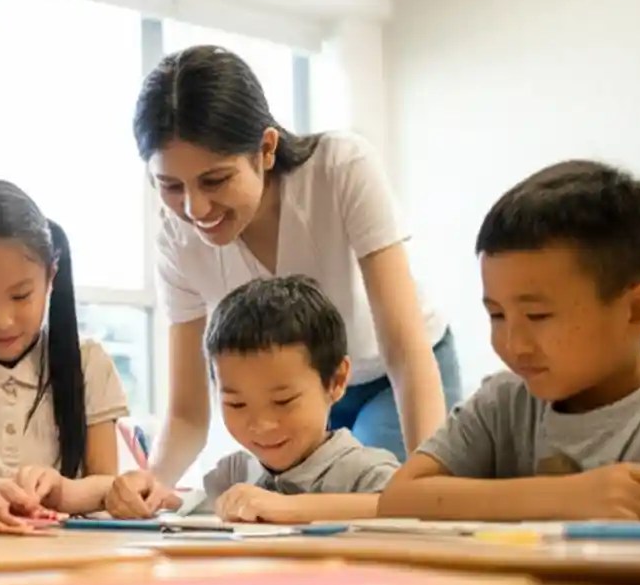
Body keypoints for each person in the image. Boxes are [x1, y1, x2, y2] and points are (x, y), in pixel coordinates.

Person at [134, 44, 459, 482]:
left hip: (391, 373)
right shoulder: (176, 239)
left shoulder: (341, 168)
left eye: (215, 180)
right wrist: (151, 485)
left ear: (265, 149)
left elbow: (405, 349)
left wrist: (426, 488)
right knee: (288, 502)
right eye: (170, 185)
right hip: (284, 394)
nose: (195, 208)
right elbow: (189, 413)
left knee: (365, 488)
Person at [381, 161, 640, 521]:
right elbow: (399, 498)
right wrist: (570, 497)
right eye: (497, 315)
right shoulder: (502, 404)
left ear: (639, 310)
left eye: (538, 316)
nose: (513, 345)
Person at [0, 180, 178, 517]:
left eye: (20, 296)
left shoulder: (88, 363)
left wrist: (63, 490)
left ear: (50, 277)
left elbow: (107, 485)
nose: (2, 320)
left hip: (68, 559)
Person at [202, 276, 399, 523]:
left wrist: (290, 507)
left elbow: (412, 508)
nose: (262, 425)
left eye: (283, 401)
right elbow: (188, 509)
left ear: (336, 381)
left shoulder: (365, 471)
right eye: (236, 404)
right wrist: (153, 495)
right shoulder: (235, 472)